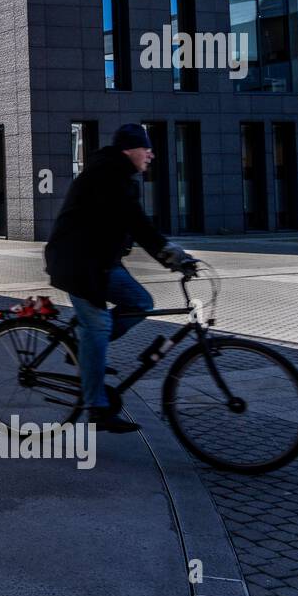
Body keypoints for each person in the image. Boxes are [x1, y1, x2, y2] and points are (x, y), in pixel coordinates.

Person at [44, 124, 193, 433]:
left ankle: (83, 348)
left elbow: (131, 224)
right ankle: (96, 408)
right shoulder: (107, 176)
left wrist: (169, 254)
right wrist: (170, 253)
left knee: (140, 301)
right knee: (97, 325)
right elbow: (137, 224)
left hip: (101, 264)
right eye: (146, 148)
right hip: (78, 266)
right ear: (129, 149)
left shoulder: (120, 177)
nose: (151, 153)